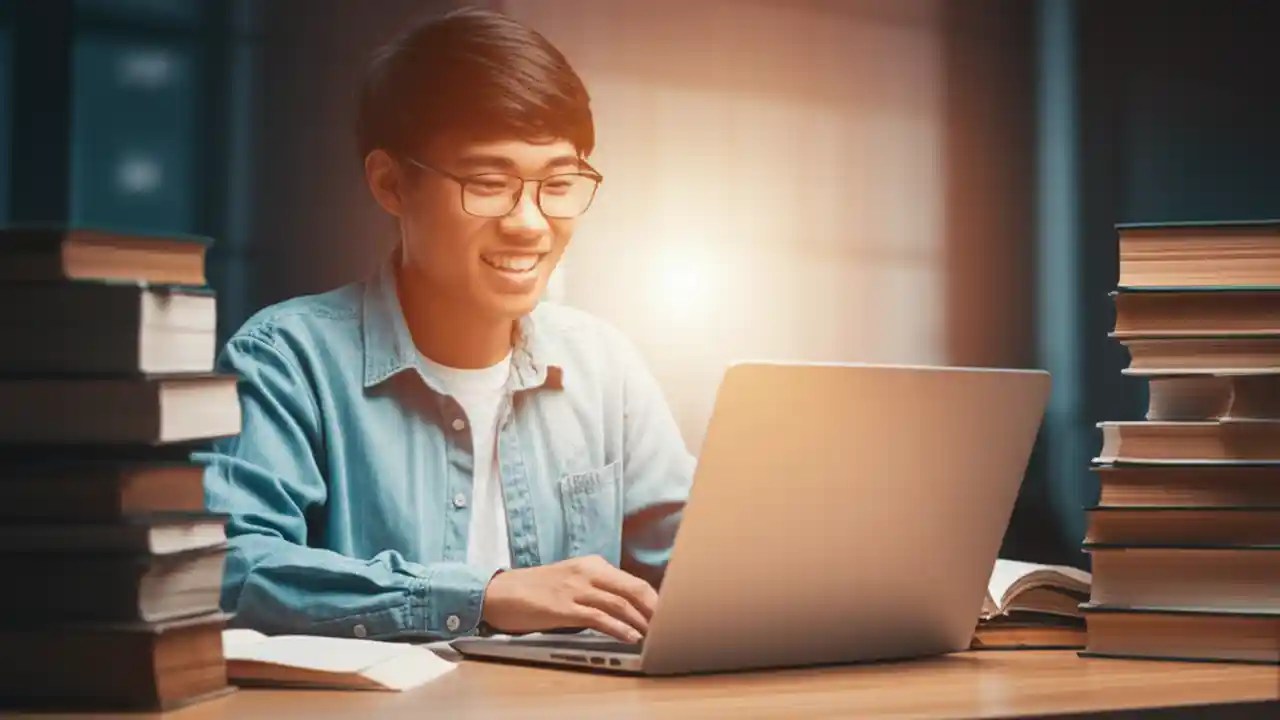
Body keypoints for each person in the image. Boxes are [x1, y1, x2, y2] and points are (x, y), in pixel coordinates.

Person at [199, 8, 694, 644]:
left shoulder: (604, 365)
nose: (530, 223)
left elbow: (696, 569)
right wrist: (479, 597)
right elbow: (233, 574)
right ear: (390, 183)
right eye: (489, 182)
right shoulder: (287, 359)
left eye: (559, 183)